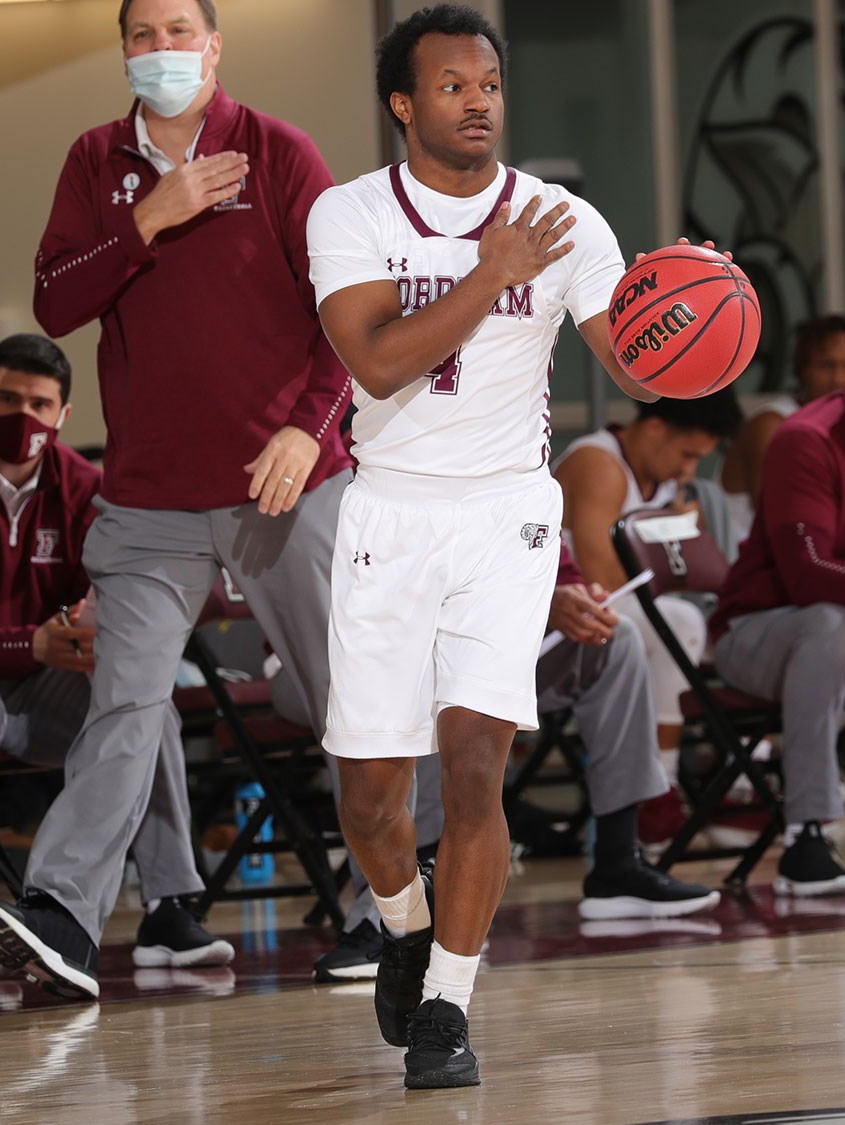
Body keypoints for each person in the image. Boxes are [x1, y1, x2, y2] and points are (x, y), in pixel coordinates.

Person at [305, 4, 672, 1089]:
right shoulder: (349, 213)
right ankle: (406, 929)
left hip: (508, 514)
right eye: (453, 87)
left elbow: (640, 366)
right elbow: (375, 363)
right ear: (403, 106)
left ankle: (446, 1012)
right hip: (387, 511)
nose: (478, 103)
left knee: (474, 767)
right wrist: (488, 270)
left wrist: (689, 305)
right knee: (370, 797)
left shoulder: (563, 221)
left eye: (490, 85)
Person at [0, 0, 353, 1001]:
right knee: (125, 700)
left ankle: (389, 900)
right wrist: (146, 220)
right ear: (123, 52)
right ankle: (61, 911)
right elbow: (57, 302)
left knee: (346, 695)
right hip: (147, 494)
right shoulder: (95, 161)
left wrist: (306, 429)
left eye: (179, 30)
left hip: (285, 480)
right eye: (141, 35)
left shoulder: (278, 152)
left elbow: (347, 319)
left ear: (215, 46)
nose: (160, 50)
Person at [0, 335, 229, 981]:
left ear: (64, 415)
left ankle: (169, 906)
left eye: (40, 404)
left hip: (37, 684)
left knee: (146, 702)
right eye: (9, 399)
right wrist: (30, 642)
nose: (24, 417)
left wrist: (93, 620)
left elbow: (150, 590)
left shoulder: (85, 486)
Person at [312, 539, 721, 981]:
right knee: (438, 666)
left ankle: (617, 860)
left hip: (503, 632)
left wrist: (575, 598)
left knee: (615, 641)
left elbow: (548, 553)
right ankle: (417, 902)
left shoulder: (522, 475)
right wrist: (541, 603)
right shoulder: (406, 480)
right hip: (408, 634)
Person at [709, 319, 845, 898]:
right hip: (756, 633)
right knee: (829, 620)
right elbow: (808, 576)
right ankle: (806, 835)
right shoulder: (807, 439)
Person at [552, 391, 743, 844]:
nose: (689, 471)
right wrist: (669, 532)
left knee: (690, 622)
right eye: (687, 454)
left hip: (614, 627)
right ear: (655, 427)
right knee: (679, 622)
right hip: (559, 628)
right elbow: (606, 584)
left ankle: (673, 783)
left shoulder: (664, 481)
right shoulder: (599, 465)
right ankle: (656, 790)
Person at [720, 314, 845, 530]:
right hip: (746, 560)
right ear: (803, 369)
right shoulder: (772, 425)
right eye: (826, 365)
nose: (839, 379)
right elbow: (784, 522)